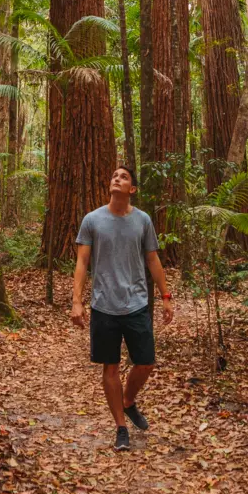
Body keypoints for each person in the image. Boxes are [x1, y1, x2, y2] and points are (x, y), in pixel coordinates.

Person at [70, 165, 174, 451]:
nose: (117, 178)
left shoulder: (142, 220)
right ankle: (120, 427)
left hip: (137, 302)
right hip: (104, 305)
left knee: (146, 362)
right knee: (111, 366)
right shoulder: (92, 220)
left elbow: (152, 260)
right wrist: (77, 301)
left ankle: (128, 401)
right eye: (114, 175)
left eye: (124, 177)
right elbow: (82, 262)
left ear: (132, 189)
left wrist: (165, 295)